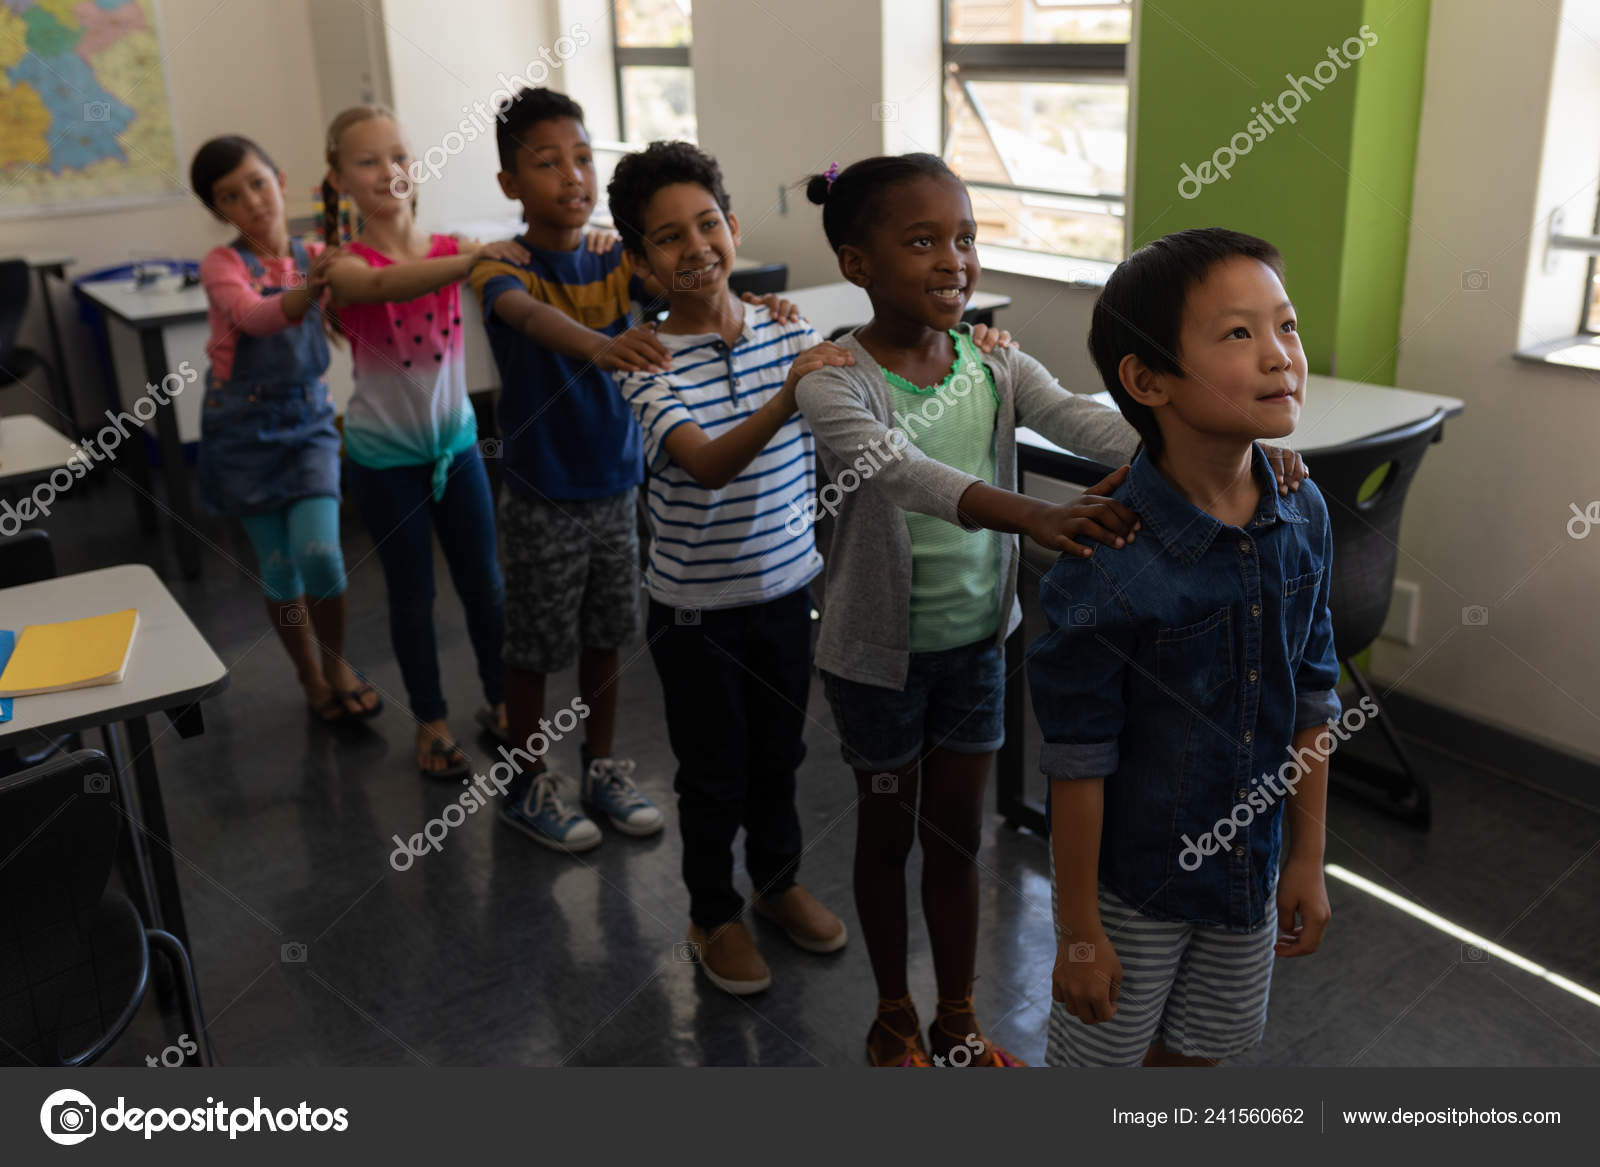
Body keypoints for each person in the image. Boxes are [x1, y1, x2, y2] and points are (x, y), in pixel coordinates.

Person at [794, 155, 1310, 1067]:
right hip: (878, 659)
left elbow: (1087, 419)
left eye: (965, 238)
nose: (954, 259)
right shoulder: (833, 378)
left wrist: (1214, 442)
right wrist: (1032, 513)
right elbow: (901, 470)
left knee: (956, 841)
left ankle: (957, 1018)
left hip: (976, 648)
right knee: (887, 837)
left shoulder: (994, 360)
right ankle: (893, 1012)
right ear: (856, 264)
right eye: (922, 241)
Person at [1028, 227, 1338, 1068]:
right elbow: (1078, 759)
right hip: (1134, 891)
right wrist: (1080, 929)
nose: (1280, 354)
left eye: (1286, 325)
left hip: (1249, 878)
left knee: (1200, 1063)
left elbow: (1314, 696)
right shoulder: (1106, 559)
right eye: (1238, 332)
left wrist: (1307, 857)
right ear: (1147, 380)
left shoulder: (1302, 511)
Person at [467, 88, 800, 851]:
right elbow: (528, 317)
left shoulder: (614, 256)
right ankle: (526, 779)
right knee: (535, 646)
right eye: (547, 163)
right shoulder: (501, 264)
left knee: (606, 635)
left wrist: (760, 307)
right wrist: (601, 345)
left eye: (583, 158)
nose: (572, 176)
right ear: (510, 182)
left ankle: (602, 766)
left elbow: (691, 281)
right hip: (544, 490)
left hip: (618, 484)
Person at [605, 140, 853, 994]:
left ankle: (777, 885)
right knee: (713, 774)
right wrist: (789, 391)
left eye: (707, 223)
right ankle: (713, 914)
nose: (696, 246)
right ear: (640, 262)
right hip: (696, 612)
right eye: (668, 236)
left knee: (779, 756)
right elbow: (707, 463)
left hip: (786, 591)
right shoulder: (644, 360)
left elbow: (860, 401)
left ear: (734, 227)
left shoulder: (790, 328)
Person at [319, 103, 612, 779]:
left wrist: (594, 241)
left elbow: (540, 260)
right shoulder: (344, 265)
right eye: (367, 161)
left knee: (486, 585)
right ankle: (432, 720)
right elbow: (384, 284)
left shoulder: (452, 247)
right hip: (383, 462)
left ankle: (502, 703)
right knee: (413, 596)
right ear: (338, 179)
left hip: (457, 450)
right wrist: (476, 259)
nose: (389, 170)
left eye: (399, 155)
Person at [190, 135, 380, 726]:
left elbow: (370, 297)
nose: (251, 201)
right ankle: (308, 675)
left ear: (281, 181)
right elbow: (253, 316)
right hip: (240, 429)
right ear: (219, 210)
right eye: (231, 196)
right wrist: (312, 286)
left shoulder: (318, 253)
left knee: (320, 553)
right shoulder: (222, 265)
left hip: (309, 423)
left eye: (257, 182)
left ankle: (336, 663)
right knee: (278, 569)